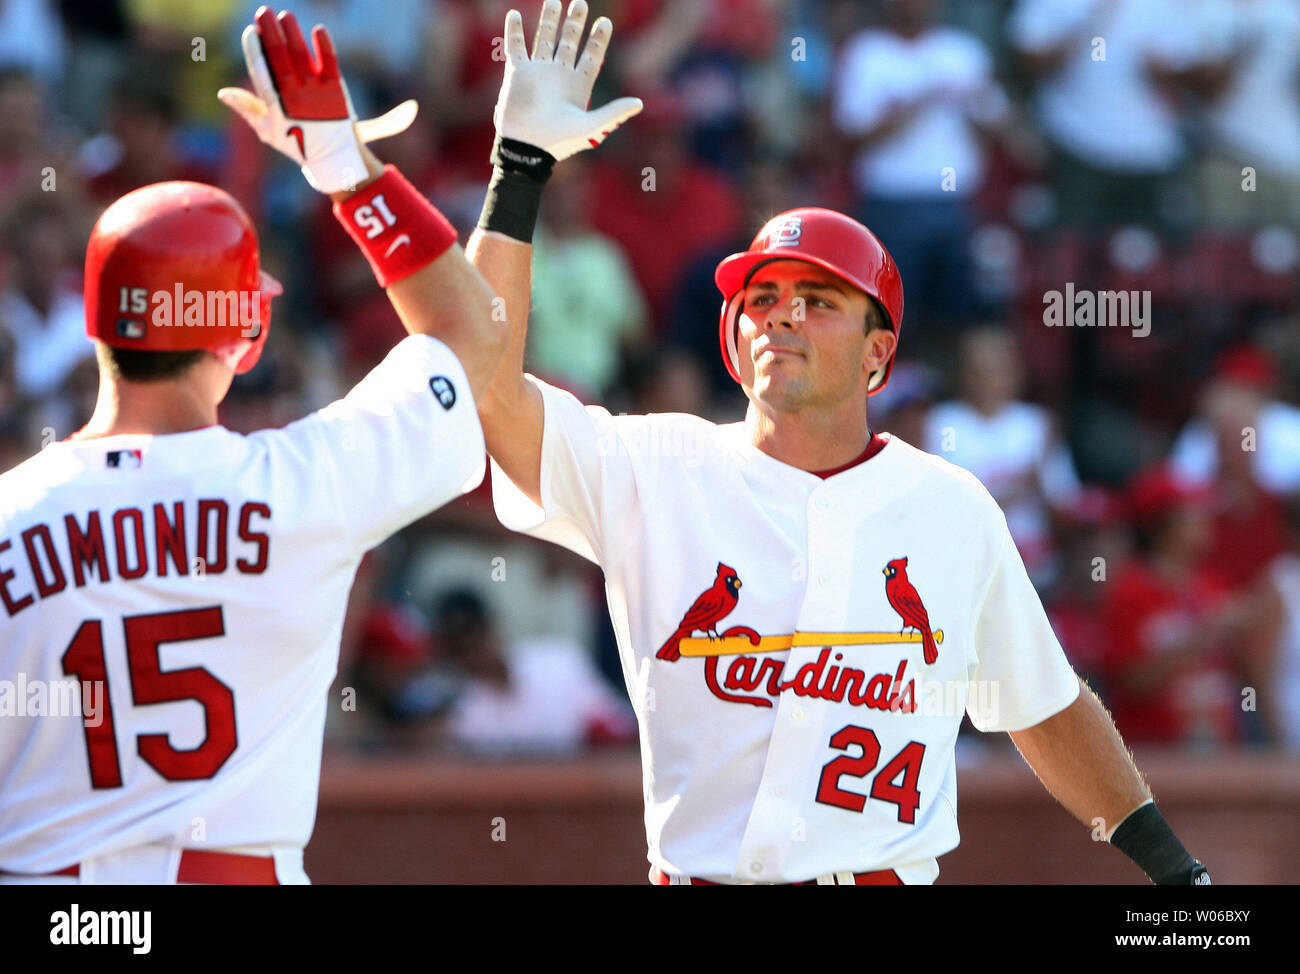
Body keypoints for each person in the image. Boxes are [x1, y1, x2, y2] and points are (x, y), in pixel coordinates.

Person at [469, 0, 1209, 885]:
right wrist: (518, 174)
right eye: (763, 298)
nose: (782, 316)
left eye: (818, 302)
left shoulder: (949, 507)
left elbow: (1043, 707)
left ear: (878, 353)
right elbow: (484, 392)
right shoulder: (654, 467)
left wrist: (1177, 876)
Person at [0, 7, 505, 884]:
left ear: (95, 325)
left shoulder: (8, 519)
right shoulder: (308, 486)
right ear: (248, 334)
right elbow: (478, 337)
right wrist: (347, 169)